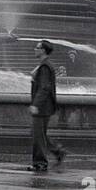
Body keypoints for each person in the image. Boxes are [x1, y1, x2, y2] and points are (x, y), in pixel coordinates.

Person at [29, 39, 65, 171]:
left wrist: (36, 104)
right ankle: (57, 152)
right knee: (39, 133)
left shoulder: (45, 66)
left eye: (37, 47)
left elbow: (44, 87)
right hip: (46, 106)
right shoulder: (45, 65)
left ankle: (40, 163)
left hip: (42, 107)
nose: (34, 49)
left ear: (43, 50)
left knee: (37, 135)